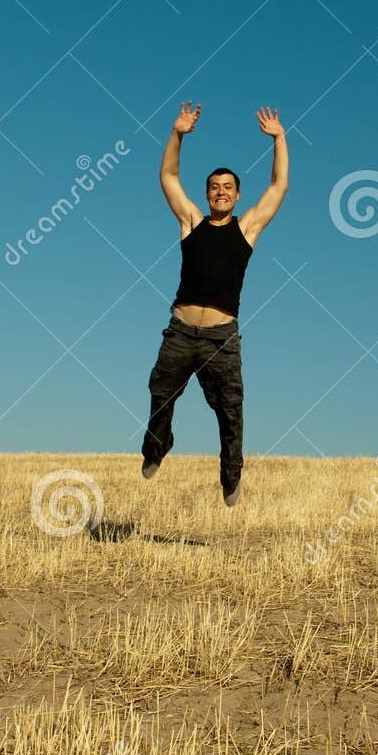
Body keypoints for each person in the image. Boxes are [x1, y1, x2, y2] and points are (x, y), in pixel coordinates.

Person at [140, 102, 289, 506]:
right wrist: (178, 134)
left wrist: (279, 139)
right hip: (181, 331)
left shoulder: (247, 229)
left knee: (230, 409)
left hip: (222, 337)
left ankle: (230, 476)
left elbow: (278, 187)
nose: (220, 192)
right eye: (214, 187)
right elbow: (168, 176)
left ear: (237, 195)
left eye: (227, 187)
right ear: (207, 195)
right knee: (160, 392)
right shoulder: (191, 222)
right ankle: (157, 447)